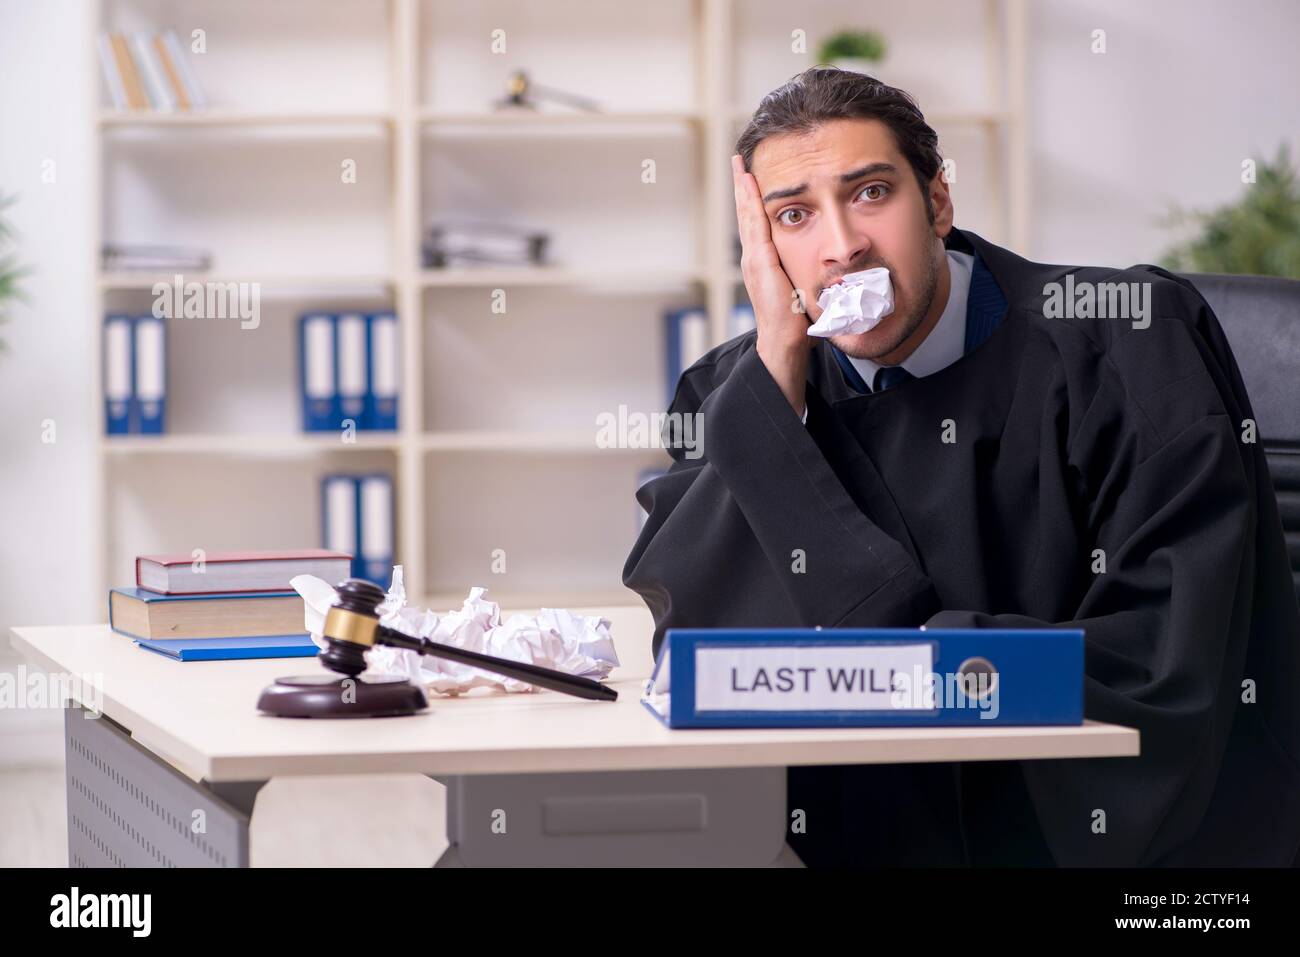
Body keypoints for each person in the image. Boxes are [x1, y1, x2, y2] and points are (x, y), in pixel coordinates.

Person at [621, 67, 1300, 867]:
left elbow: (1162, 657)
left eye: (872, 192)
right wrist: (775, 382)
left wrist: (904, 662)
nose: (842, 248)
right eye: (794, 216)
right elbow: (702, 661)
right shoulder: (737, 393)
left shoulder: (1128, 345)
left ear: (938, 201)